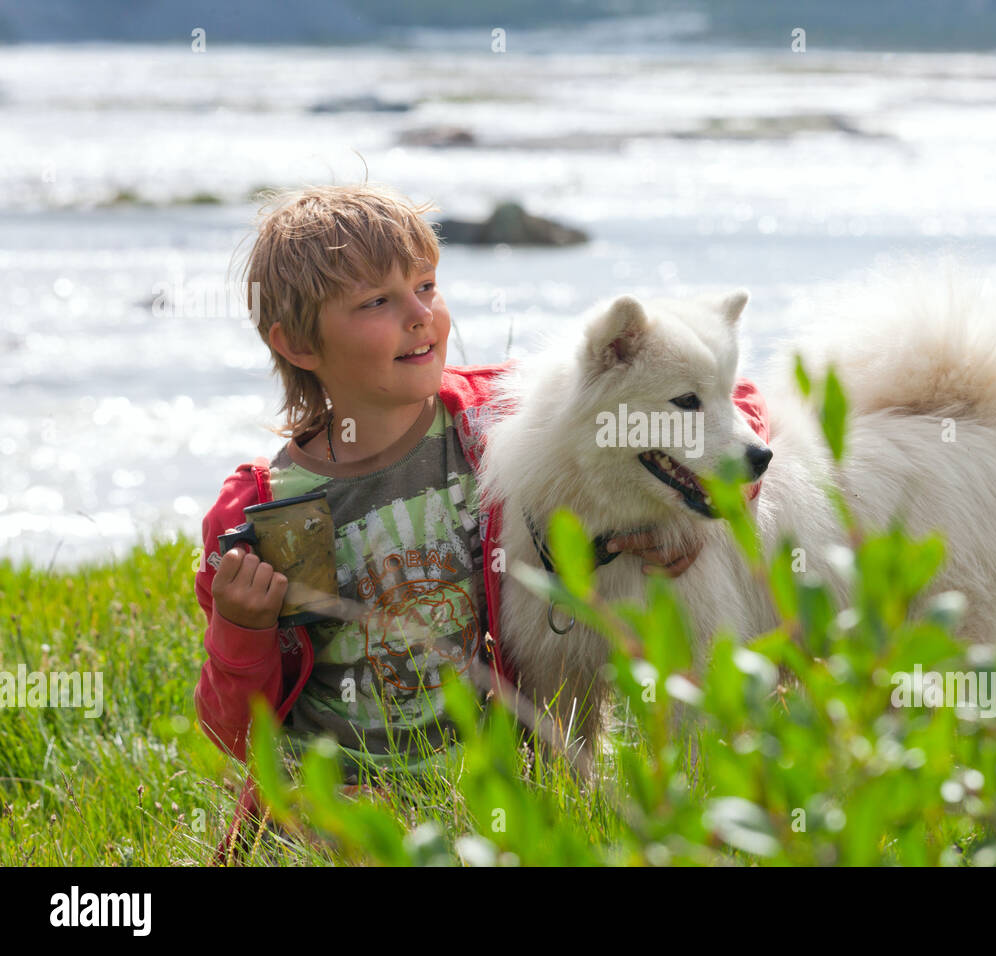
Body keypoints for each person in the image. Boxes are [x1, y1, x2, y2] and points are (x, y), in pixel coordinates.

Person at [192, 183, 769, 861]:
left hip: (484, 798)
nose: (420, 316)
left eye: (427, 286)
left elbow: (726, 402)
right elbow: (233, 732)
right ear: (298, 344)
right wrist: (243, 629)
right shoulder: (266, 512)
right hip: (330, 810)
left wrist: (706, 495)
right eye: (378, 301)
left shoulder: (484, 422)